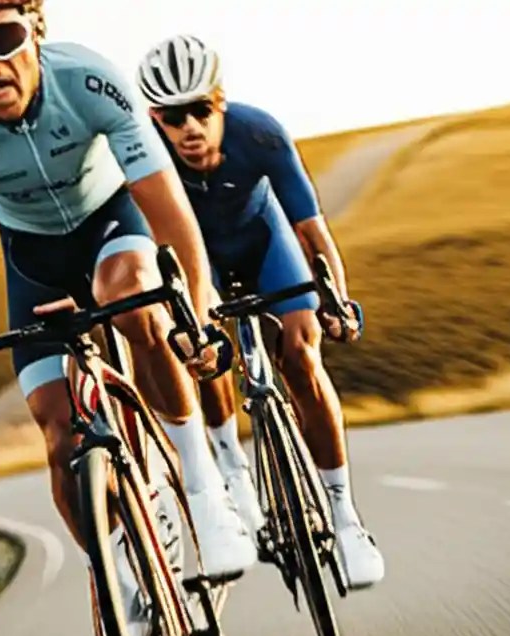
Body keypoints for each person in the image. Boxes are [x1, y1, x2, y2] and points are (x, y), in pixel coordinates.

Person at [0, 2, 253, 636]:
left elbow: (170, 217)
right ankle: (118, 582)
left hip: (112, 229)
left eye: (0, 40)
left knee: (129, 298)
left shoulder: (88, 81)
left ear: (34, 31)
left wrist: (195, 309)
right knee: (59, 431)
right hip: (32, 261)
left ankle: (204, 489)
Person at [134, 35, 385, 589]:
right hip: (199, 259)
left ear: (220, 102)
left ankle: (346, 519)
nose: (190, 130)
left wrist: (336, 299)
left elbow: (310, 229)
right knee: (201, 351)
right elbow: (154, 249)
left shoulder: (260, 132)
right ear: (156, 119)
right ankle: (232, 469)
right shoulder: (144, 154)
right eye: (173, 119)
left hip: (265, 240)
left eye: (200, 111)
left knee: (299, 351)